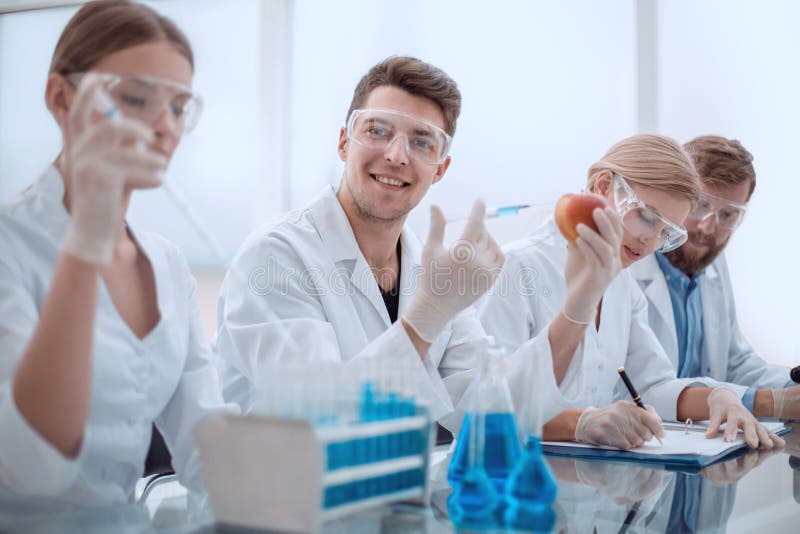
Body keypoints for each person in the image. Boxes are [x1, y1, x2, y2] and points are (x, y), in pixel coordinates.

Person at [215, 56, 562, 435]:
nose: (397, 155)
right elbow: (316, 418)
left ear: (440, 169)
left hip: (391, 488)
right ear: (345, 143)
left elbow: (489, 408)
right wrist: (426, 317)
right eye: (378, 131)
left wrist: (581, 300)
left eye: (421, 142)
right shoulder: (275, 256)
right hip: (280, 490)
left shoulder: (430, 268)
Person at [0, 0, 233, 504]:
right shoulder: (8, 243)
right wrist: (87, 236)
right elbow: (31, 466)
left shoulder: (167, 263)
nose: (165, 125)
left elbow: (205, 441)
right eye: (134, 98)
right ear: (61, 99)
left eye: (177, 106)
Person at [479, 134, 782, 450]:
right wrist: (579, 424)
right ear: (603, 186)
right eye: (647, 217)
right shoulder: (518, 266)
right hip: (513, 482)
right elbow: (487, 407)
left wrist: (718, 397)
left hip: (592, 485)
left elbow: (651, 385)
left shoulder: (622, 282)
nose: (649, 242)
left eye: (666, 232)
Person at [630, 135, 800, 418]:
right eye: (699, 206)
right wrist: (771, 402)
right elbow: (640, 389)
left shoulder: (713, 265)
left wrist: (790, 386)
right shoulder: (628, 267)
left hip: (701, 444)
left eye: (728, 215)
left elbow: (736, 364)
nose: (708, 228)